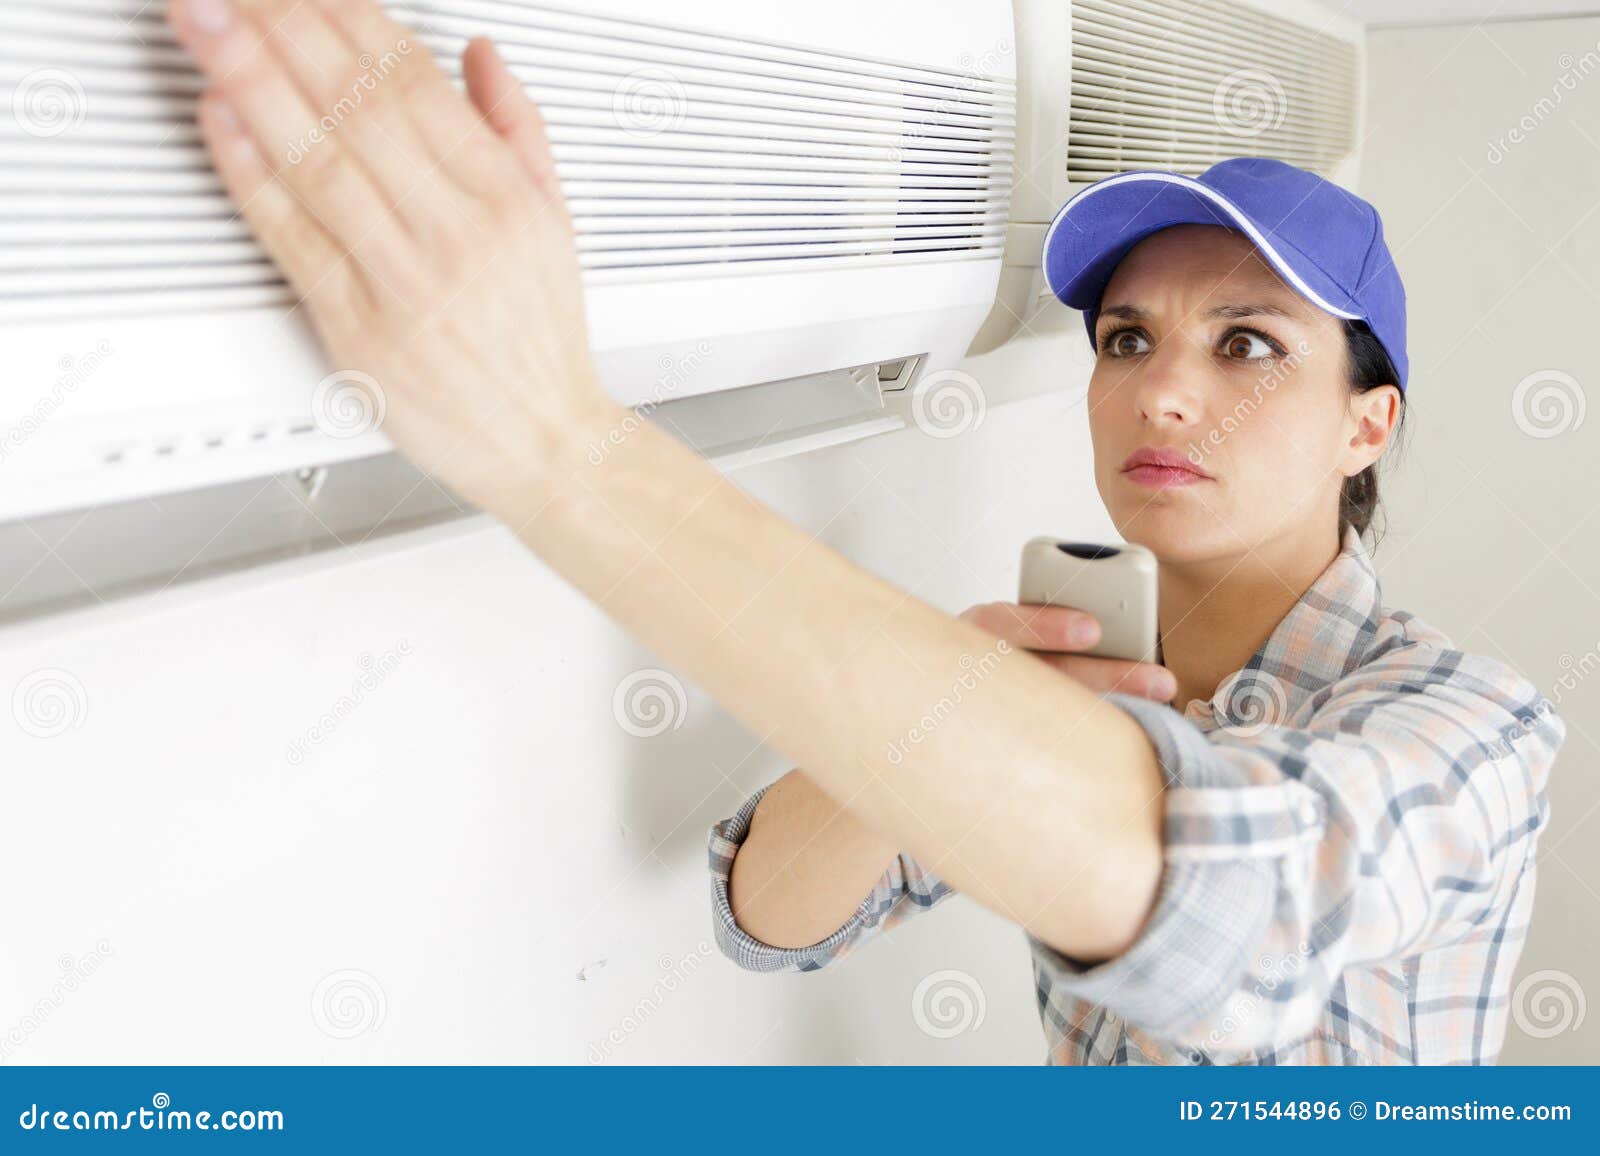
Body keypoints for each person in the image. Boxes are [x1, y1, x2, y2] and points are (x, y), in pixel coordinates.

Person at [168, 0, 1565, 1065]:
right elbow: (769, 912)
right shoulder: (1073, 683)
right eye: (1127, 337)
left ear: (1365, 426)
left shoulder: (1471, 729)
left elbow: (1235, 917)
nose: (1164, 388)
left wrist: (556, 443)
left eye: (1248, 344)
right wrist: (952, 708)